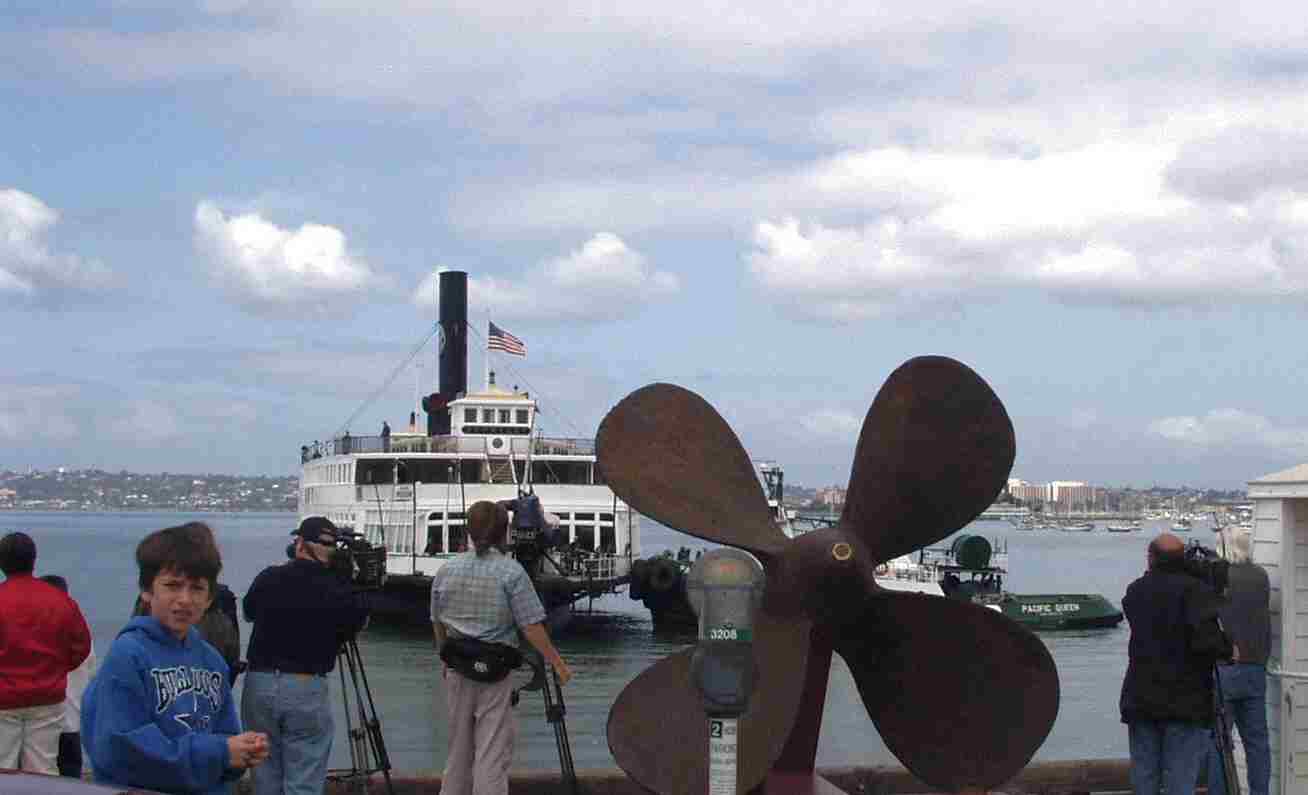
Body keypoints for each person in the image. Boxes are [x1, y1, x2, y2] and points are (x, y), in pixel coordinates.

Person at [81, 523, 268, 794]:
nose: (185, 599)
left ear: (209, 598)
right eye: (172, 586)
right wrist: (219, 752)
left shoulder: (212, 661)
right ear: (147, 590)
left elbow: (225, 737)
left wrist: (242, 751)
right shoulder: (128, 655)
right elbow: (120, 750)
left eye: (197, 589)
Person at [431, 500, 573, 795]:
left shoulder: (446, 570)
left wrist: (444, 657)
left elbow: (437, 621)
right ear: (503, 532)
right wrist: (557, 663)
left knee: (458, 751)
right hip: (495, 672)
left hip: (457, 668)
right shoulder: (512, 572)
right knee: (492, 753)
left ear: (469, 531)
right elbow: (531, 626)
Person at [242, 516, 370, 795]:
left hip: (259, 682)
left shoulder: (269, 576)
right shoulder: (339, 588)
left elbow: (249, 612)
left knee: (264, 774)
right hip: (306, 685)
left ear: (299, 543)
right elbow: (354, 625)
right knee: (304, 778)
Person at [1120, 533, 1234, 795]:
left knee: (1144, 773)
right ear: (1182, 560)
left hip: (1141, 698)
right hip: (1186, 701)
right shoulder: (1195, 591)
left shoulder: (1136, 590)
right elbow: (1207, 642)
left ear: (1151, 559)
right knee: (1180, 777)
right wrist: (1229, 649)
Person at [0, 531, 92, 774]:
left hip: (3, 697)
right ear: (33, 560)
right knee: (43, 769)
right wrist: (55, 669)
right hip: (48, 695)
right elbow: (81, 645)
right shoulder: (59, 600)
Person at [1208, 529, 1272, 795]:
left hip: (1224, 669)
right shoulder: (1261, 576)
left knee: (1219, 743)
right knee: (1257, 742)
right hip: (1255, 666)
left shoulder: (1217, 577)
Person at [39, 574, 97, 779]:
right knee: (71, 779)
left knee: (39, 778)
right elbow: (92, 675)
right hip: (72, 721)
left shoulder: (36, 632)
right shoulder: (82, 634)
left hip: (43, 721)